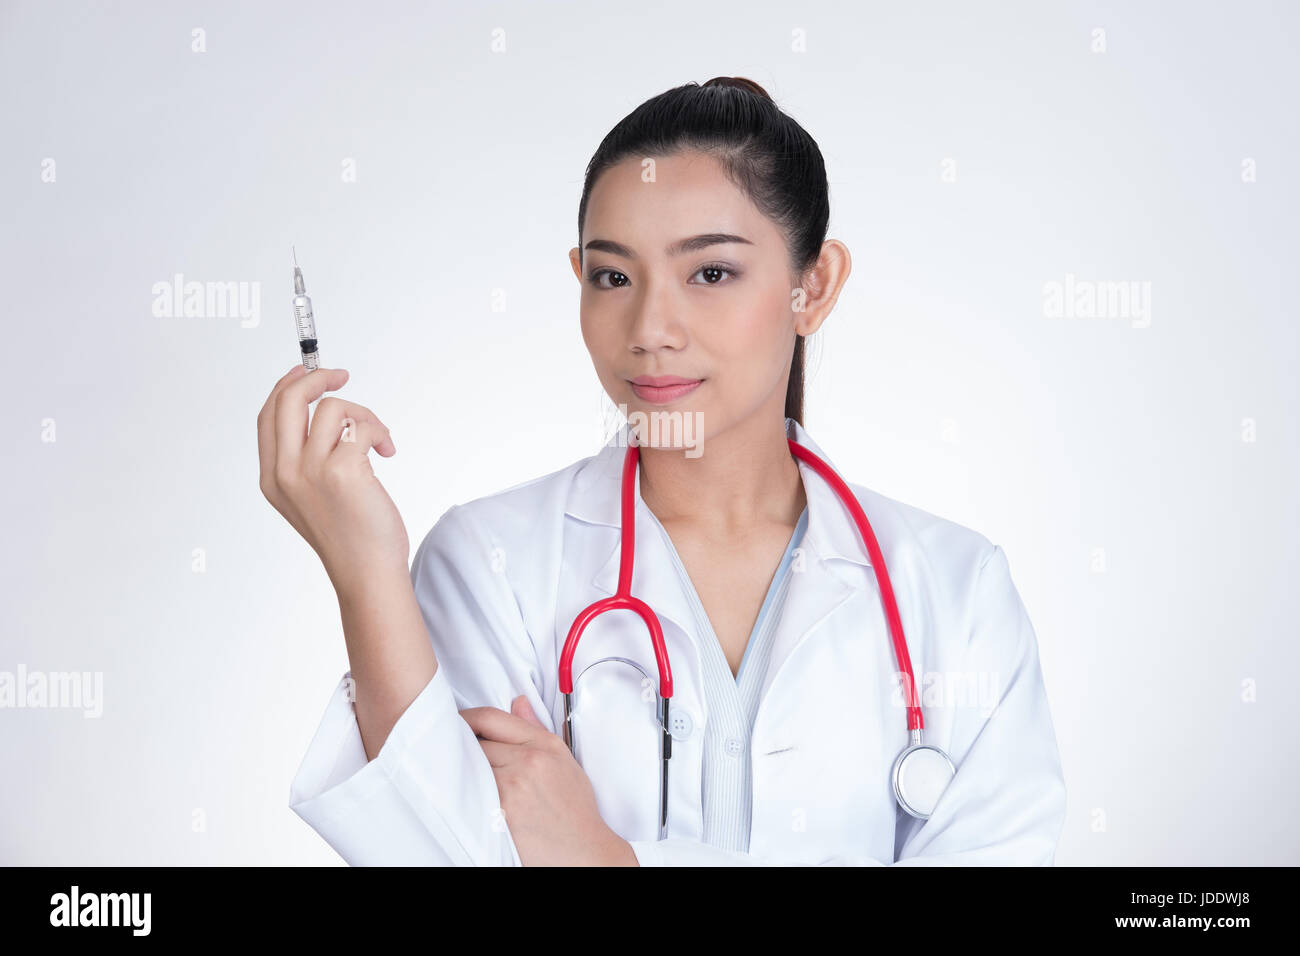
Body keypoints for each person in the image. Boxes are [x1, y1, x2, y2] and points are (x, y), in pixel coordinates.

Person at [257, 77, 1067, 866]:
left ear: (811, 288)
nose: (649, 328)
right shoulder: (490, 563)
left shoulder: (956, 591)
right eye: (613, 277)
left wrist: (611, 864)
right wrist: (365, 574)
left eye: (710, 273)